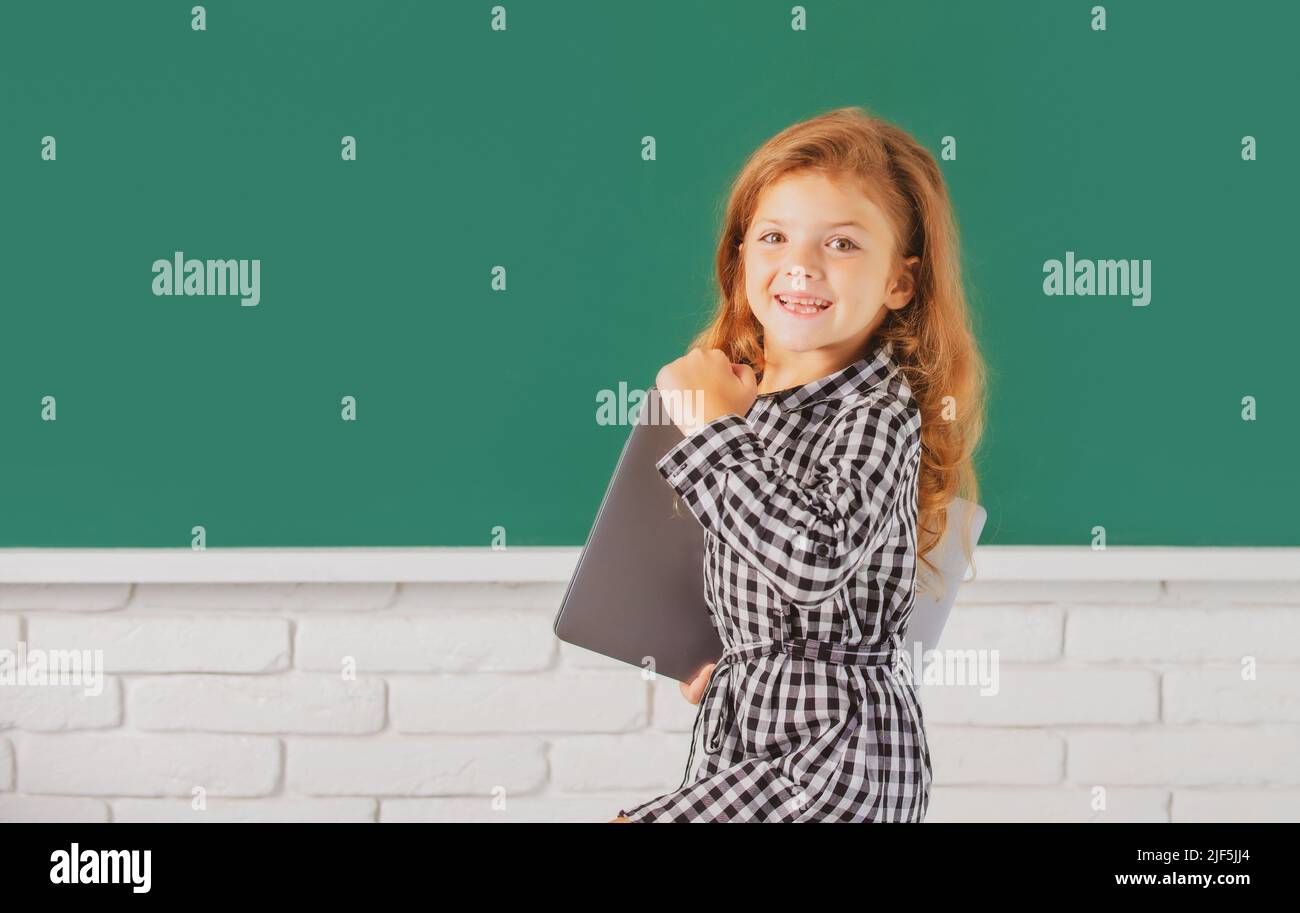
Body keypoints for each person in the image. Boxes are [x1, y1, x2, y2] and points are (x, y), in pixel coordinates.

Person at [608, 106, 986, 822]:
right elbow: (776, 580)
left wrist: (711, 425)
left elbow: (813, 556)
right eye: (774, 236)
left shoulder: (876, 410)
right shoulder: (753, 407)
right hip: (755, 733)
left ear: (899, 284)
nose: (801, 265)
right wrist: (739, 660)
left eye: (842, 243)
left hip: (835, 756)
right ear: (741, 256)